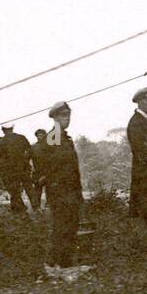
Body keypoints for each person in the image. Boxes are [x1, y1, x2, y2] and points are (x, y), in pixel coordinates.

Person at [44, 102, 84, 267]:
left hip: (70, 191)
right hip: (60, 192)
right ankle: (56, 264)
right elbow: (50, 167)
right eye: (62, 116)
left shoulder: (65, 138)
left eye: (68, 116)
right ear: (54, 118)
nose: (66, 119)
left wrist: (77, 192)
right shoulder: (53, 138)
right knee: (61, 227)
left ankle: (65, 263)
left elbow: (72, 168)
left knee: (70, 226)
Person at [126, 86, 147, 220]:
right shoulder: (136, 123)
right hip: (145, 177)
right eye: (146, 100)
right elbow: (140, 152)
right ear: (138, 102)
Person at [0, 124, 36, 214]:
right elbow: (30, 151)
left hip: (12, 170)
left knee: (15, 190)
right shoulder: (21, 138)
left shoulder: (0, 141)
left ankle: (21, 210)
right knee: (24, 189)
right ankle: (25, 210)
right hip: (18, 169)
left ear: (3, 130)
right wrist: (25, 160)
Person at [30, 128, 49, 209]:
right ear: (36, 136)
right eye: (38, 135)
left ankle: (49, 205)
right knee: (37, 190)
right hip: (37, 171)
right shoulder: (33, 147)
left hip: (48, 171)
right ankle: (37, 208)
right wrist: (31, 167)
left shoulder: (50, 147)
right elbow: (28, 158)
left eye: (42, 135)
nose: (40, 136)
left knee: (50, 189)